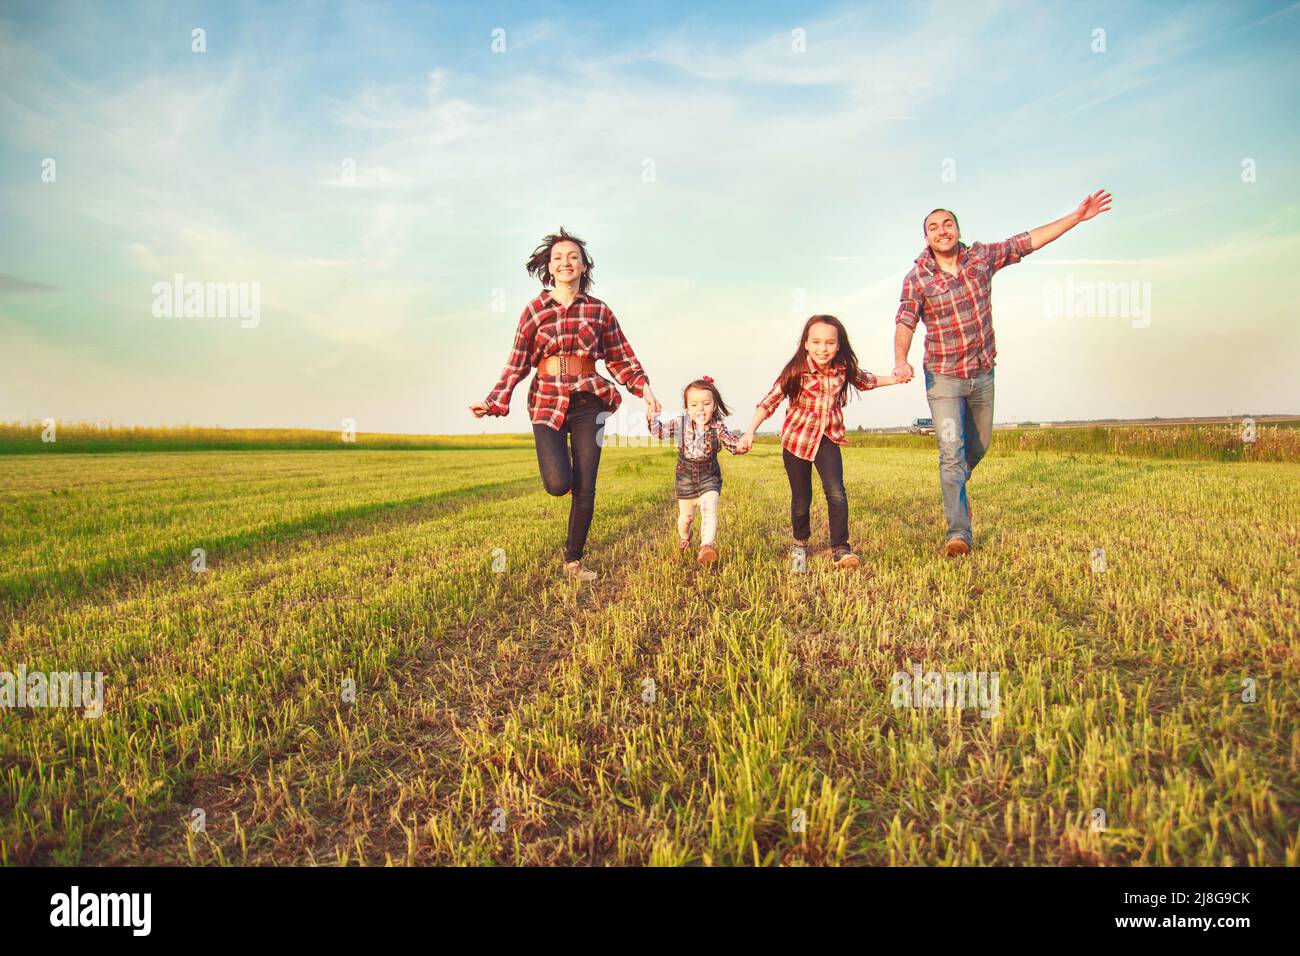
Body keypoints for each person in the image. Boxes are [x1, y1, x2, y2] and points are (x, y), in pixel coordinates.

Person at [893, 191, 1113, 557]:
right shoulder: (916, 278)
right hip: (943, 377)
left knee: (977, 446)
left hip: (982, 373)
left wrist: (1075, 217)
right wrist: (900, 358)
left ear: (958, 229)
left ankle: (954, 488)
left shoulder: (980, 257)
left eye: (947, 223)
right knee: (951, 453)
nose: (942, 231)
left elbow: (1026, 242)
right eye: (933, 227)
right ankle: (958, 534)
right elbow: (905, 321)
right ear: (926, 238)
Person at [470, 227, 660, 581]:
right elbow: (517, 361)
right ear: (550, 267)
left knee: (586, 484)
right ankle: (567, 464)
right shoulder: (534, 310)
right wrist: (494, 400)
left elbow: (620, 357)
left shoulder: (599, 311)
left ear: (585, 266)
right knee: (559, 483)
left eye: (573, 257)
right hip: (546, 400)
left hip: (590, 400)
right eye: (558, 258)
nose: (566, 262)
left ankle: (573, 561)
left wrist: (644, 390)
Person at [737, 315, 898, 569]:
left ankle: (841, 549)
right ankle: (800, 544)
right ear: (806, 344)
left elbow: (867, 381)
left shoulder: (843, 369)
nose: (823, 348)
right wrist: (750, 432)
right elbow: (769, 401)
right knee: (802, 499)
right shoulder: (795, 372)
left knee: (836, 492)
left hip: (826, 438)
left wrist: (895, 379)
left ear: (838, 345)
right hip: (797, 441)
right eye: (817, 342)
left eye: (830, 343)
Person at [646, 376, 747, 564]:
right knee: (686, 518)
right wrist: (652, 418)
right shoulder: (681, 423)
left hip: (709, 477)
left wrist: (740, 445)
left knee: (709, 509)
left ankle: (706, 546)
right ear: (687, 408)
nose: (700, 409)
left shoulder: (718, 427)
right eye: (694, 405)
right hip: (685, 478)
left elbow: (731, 441)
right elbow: (659, 433)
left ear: (714, 405)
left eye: (706, 403)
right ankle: (685, 537)